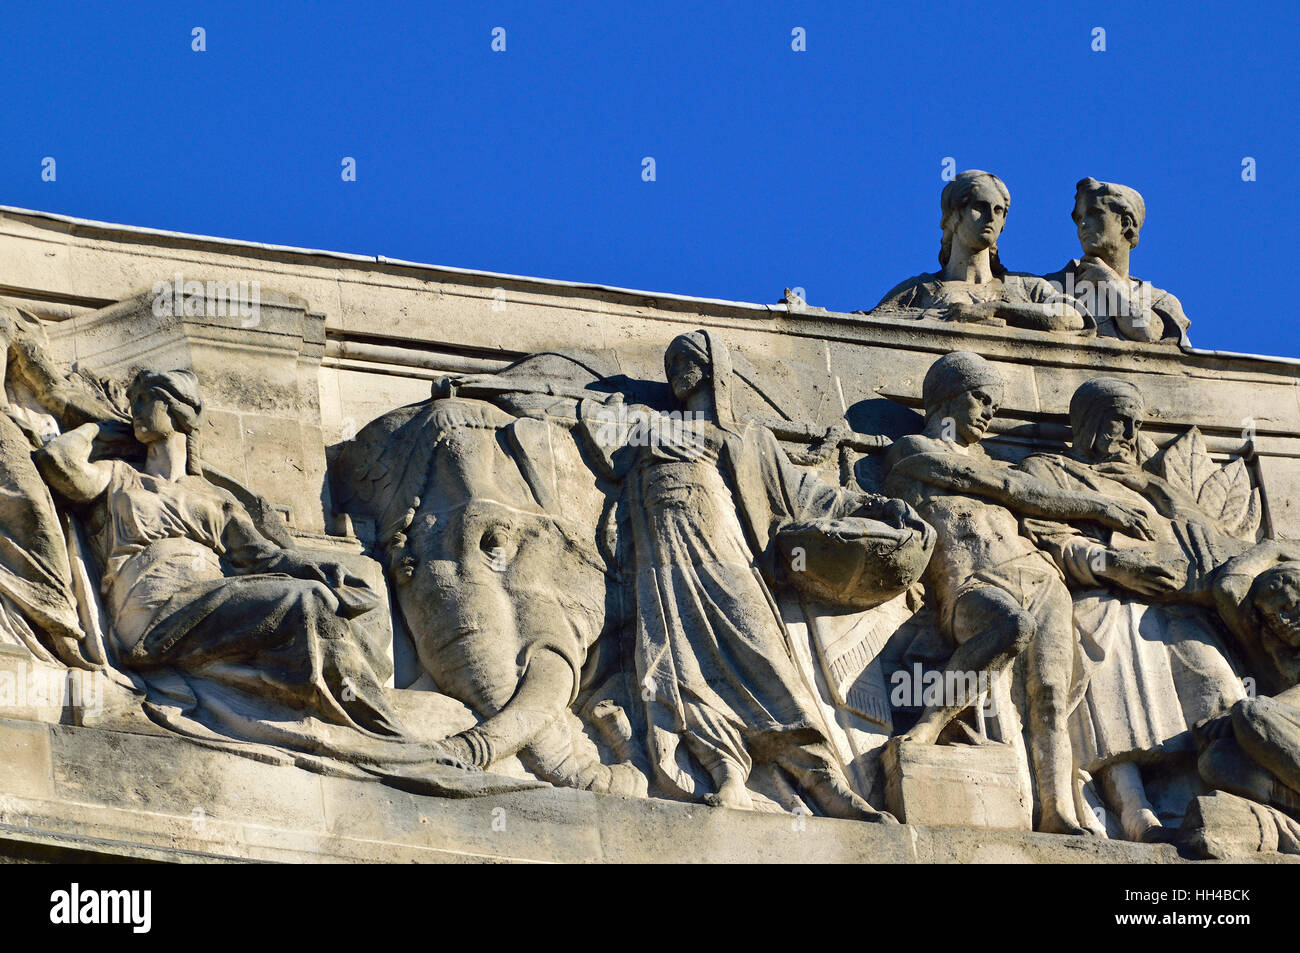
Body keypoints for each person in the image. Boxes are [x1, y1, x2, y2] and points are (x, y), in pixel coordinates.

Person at [35, 368, 469, 782]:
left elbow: (266, 559)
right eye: (132, 402)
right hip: (150, 614)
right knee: (306, 601)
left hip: (207, 598)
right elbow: (58, 463)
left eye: (145, 399)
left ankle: (365, 724)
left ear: (178, 410)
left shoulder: (215, 498)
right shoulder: (120, 476)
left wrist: (325, 568)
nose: (135, 409)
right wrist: (101, 428)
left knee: (323, 598)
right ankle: (383, 734)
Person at [583, 329, 928, 820]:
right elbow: (601, 445)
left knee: (766, 659)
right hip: (667, 566)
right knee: (681, 670)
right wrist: (605, 410)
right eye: (670, 362)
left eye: (686, 358)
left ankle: (826, 782)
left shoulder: (749, 439)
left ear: (714, 368)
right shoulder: (650, 426)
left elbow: (811, 494)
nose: (676, 370)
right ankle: (726, 775)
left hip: (728, 561)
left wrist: (879, 506)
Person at [884, 352, 1154, 834]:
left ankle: (1057, 811)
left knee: (1050, 693)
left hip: (1040, 577)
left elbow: (1026, 497)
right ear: (946, 396)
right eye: (980, 398)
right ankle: (927, 726)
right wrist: (1100, 506)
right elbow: (1005, 485)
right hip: (974, 581)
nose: (989, 412)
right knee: (1011, 627)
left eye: (995, 403)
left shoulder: (992, 459)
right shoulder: (913, 450)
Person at [1017, 377, 1248, 841]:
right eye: (1120, 419)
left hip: (1175, 606)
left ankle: (1241, 809)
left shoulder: (1147, 483)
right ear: (1089, 422)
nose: (1129, 433)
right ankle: (1136, 815)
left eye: (1136, 423)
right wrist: (1114, 566)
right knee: (1114, 662)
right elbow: (1050, 541)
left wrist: (1156, 489)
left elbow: (1211, 545)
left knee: (1222, 691)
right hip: (1100, 598)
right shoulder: (1048, 470)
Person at [0, 302, 124, 669]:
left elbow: (54, 389)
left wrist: (113, 426)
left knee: (33, 508)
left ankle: (56, 623)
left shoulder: (10, 319)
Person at [870, 171, 1089, 332]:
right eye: (979, 207)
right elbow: (869, 327)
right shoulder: (917, 291)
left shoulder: (1027, 288)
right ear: (954, 216)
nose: (990, 217)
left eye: (998, 210)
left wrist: (997, 309)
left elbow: (1073, 319)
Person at [1042, 178, 1190, 344]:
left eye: (1094, 214)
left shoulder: (1160, 301)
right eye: (1079, 218)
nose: (1082, 224)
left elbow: (1149, 336)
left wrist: (1110, 281)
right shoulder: (1054, 286)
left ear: (1126, 223)